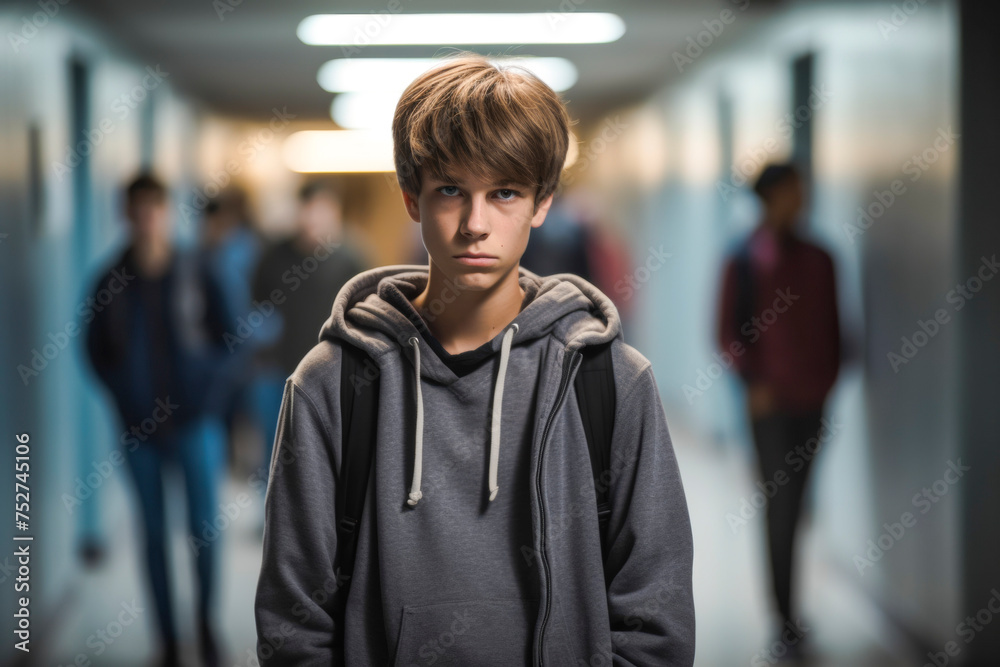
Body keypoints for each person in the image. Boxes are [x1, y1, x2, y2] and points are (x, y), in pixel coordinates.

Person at [254, 53, 696, 665]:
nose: (475, 224)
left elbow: (656, 616)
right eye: (451, 191)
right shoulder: (333, 383)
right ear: (412, 198)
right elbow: (292, 623)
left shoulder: (611, 382)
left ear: (542, 203)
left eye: (505, 192)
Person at [85, 173, 235, 667]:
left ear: (167, 212)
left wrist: (209, 398)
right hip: (140, 434)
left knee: (204, 531)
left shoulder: (197, 271)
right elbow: (96, 353)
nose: (148, 218)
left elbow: (231, 338)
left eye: (156, 208)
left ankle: (206, 630)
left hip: (196, 427)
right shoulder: (110, 281)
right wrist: (125, 403)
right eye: (138, 209)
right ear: (126, 215)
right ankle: (168, 641)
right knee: (152, 536)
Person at [716, 162, 841, 657]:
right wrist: (753, 381)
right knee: (780, 507)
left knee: (801, 505)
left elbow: (836, 326)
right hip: (768, 405)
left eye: (803, 189)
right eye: (792, 191)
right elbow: (726, 332)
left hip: (814, 400)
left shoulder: (821, 257)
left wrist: (827, 380)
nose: (801, 198)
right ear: (769, 198)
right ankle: (784, 620)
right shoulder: (744, 258)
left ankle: (794, 612)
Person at [248, 181, 368, 485]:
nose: (314, 220)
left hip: (333, 372)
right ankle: (273, 516)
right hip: (277, 372)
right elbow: (256, 304)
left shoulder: (351, 258)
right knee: (275, 449)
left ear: (335, 215)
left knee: (326, 454)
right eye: (309, 211)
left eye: (322, 212)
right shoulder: (275, 254)